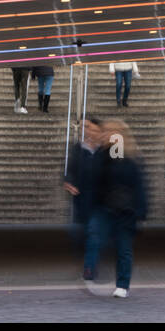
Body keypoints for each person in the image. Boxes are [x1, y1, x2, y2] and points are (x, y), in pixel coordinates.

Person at [92, 119, 148, 298]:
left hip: (125, 210)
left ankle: (122, 284)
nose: (107, 134)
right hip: (105, 208)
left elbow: (138, 185)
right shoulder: (102, 155)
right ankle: (94, 272)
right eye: (106, 131)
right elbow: (96, 180)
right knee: (99, 241)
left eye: (111, 132)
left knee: (123, 248)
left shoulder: (129, 157)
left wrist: (141, 211)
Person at [65, 117, 105, 277]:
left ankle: (89, 266)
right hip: (81, 200)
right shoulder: (78, 148)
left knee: (93, 232)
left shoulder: (107, 150)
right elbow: (70, 170)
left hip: (99, 200)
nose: (89, 132)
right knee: (79, 234)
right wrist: (68, 182)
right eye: (87, 128)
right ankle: (88, 257)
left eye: (93, 129)